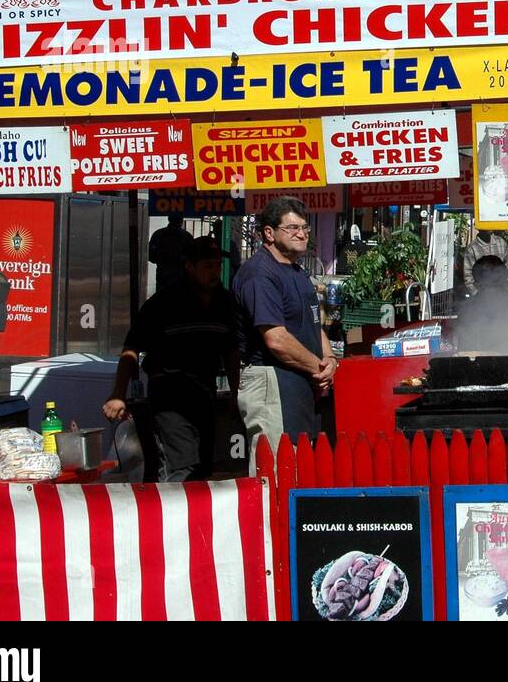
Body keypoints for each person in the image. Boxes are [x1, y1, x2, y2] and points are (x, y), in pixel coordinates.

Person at [103, 236, 241, 481]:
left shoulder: (226, 302)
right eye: (207, 266)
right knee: (182, 465)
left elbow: (231, 351)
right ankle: (176, 515)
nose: (214, 272)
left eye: (217, 266)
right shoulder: (164, 303)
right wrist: (117, 394)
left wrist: (235, 392)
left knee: (203, 466)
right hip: (170, 393)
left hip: (205, 393)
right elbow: (130, 350)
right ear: (189, 266)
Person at [233, 197, 338, 459]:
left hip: (298, 385)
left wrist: (330, 359)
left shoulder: (298, 272)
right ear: (268, 233)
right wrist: (319, 369)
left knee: (300, 471)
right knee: (278, 474)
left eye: (305, 228)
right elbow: (276, 340)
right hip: (272, 383)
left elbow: (315, 324)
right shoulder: (259, 274)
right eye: (292, 228)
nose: (302, 234)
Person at [462, 230, 508, 296]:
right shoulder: (472, 249)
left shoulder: (500, 242)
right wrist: (477, 295)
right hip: (483, 294)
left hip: (504, 292)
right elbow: (468, 277)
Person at [149, 213, 194, 291]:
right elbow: (193, 256)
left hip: (162, 274)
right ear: (181, 221)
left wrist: (160, 261)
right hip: (181, 275)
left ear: (169, 219)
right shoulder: (187, 236)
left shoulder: (158, 234)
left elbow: (150, 255)